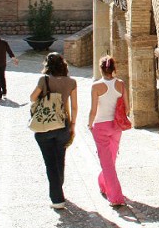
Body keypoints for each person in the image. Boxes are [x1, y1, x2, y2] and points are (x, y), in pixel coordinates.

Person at [30, 52, 78, 209]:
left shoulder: (43, 80)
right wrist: (72, 124)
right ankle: (59, 188)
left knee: (50, 162)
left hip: (44, 126)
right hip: (62, 124)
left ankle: (57, 199)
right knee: (60, 159)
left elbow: (32, 97)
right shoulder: (71, 82)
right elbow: (74, 106)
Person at [88, 56, 129, 207]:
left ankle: (116, 197)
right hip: (116, 126)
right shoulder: (121, 84)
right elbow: (127, 108)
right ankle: (103, 183)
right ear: (113, 68)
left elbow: (93, 110)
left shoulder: (96, 86)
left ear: (101, 69)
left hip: (100, 125)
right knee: (110, 159)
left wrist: (89, 124)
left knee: (107, 162)